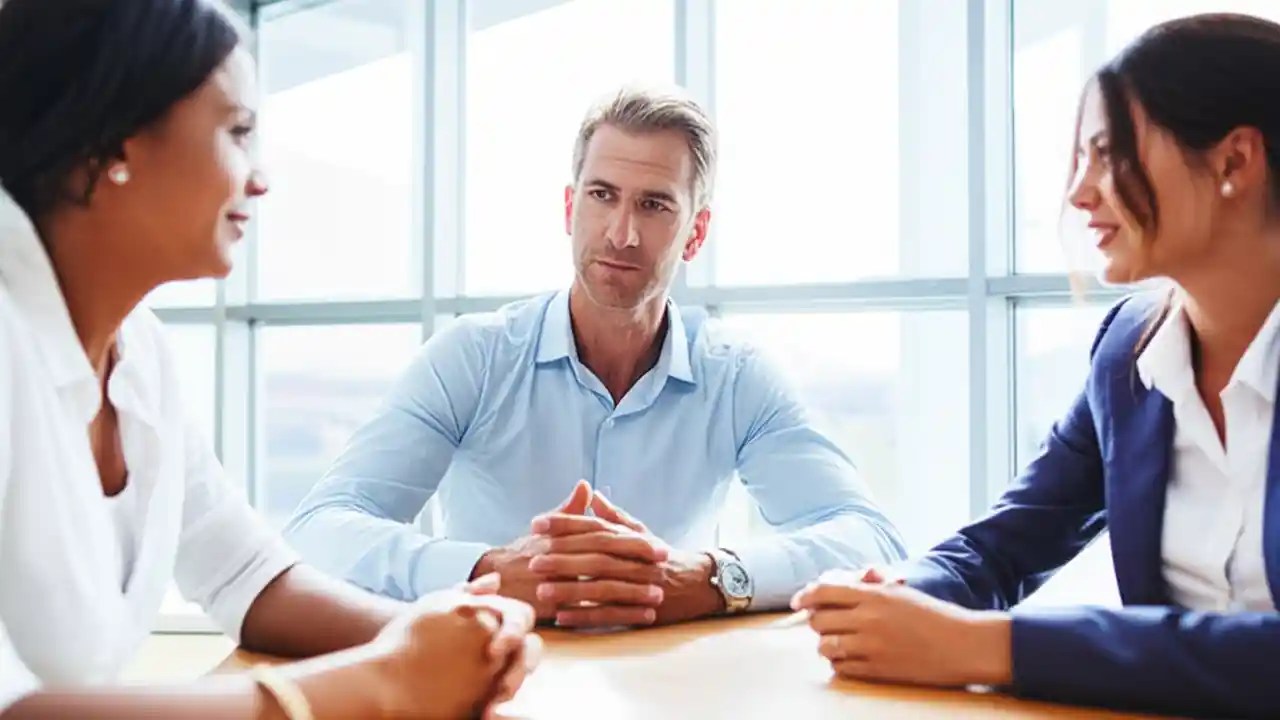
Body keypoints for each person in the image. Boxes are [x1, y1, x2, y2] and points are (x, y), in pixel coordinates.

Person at [0, 1, 539, 718]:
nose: (261, 179)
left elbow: (246, 573)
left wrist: (437, 638)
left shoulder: (140, 353)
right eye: (238, 131)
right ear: (115, 138)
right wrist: (385, 683)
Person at [793, 12, 1280, 719]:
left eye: (1109, 154)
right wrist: (900, 597)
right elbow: (1005, 547)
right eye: (1079, 160)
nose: (1080, 193)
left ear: (1235, 161)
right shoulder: (1129, 356)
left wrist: (993, 648)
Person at [284, 85, 907, 629]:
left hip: (670, 690)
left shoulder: (737, 375)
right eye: (602, 195)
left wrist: (712, 579)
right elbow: (318, 530)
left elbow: (868, 537)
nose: (621, 233)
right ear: (569, 207)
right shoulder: (471, 358)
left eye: (654, 205)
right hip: (484, 678)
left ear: (695, 232)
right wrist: (485, 569)